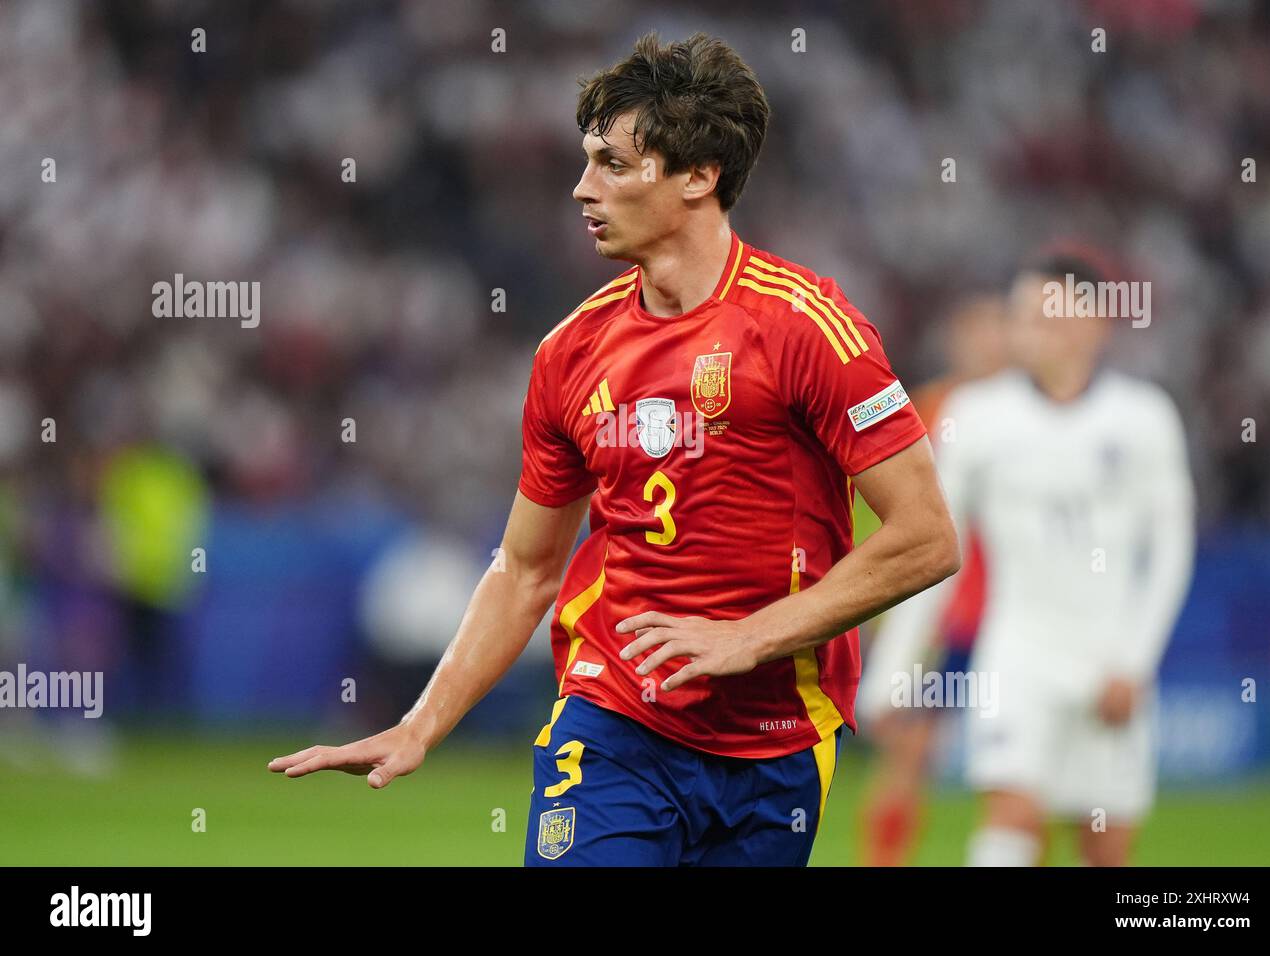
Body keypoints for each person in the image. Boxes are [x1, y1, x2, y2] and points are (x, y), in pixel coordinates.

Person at [269, 31, 959, 867]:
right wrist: (423, 723)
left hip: (776, 740)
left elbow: (926, 536)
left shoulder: (807, 328)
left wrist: (748, 638)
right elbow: (525, 570)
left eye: (612, 164)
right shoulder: (571, 352)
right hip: (615, 722)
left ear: (699, 177)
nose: (581, 187)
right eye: (586, 161)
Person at [867, 250, 1195, 865]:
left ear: (1093, 321)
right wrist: (894, 671)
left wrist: (1135, 662)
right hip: (1018, 654)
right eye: (1020, 315)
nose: (1024, 329)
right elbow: (935, 549)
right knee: (1011, 821)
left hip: (1109, 658)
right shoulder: (977, 418)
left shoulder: (1145, 418)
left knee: (1105, 850)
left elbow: (1172, 550)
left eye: (1042, 313)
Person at [858, 294, 1008, 866]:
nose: (987, 344)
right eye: (976, 333)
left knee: (1023, 773)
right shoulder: (925, 410)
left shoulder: (1029, 415)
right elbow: (882, 512)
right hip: (940, 616)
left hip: (1013, 617)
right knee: (907, 759)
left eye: (997, 331)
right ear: (957, 342)